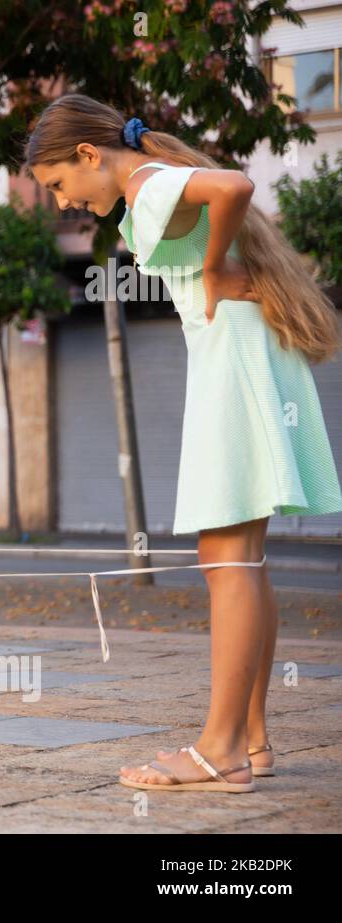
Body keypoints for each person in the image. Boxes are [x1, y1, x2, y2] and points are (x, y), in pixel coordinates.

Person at [26, 94, 342, 793]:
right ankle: (251, 738)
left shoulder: (145, 184)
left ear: (87, 155)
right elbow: (227, 190)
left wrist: (217, 265)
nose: (60, 203)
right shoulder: (152, 181)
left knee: (227, 557)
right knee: (241, 558)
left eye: (57, 184)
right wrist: (218, 266)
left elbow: (234, 184)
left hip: (233, 359)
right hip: (240, 355)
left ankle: (219, 747)